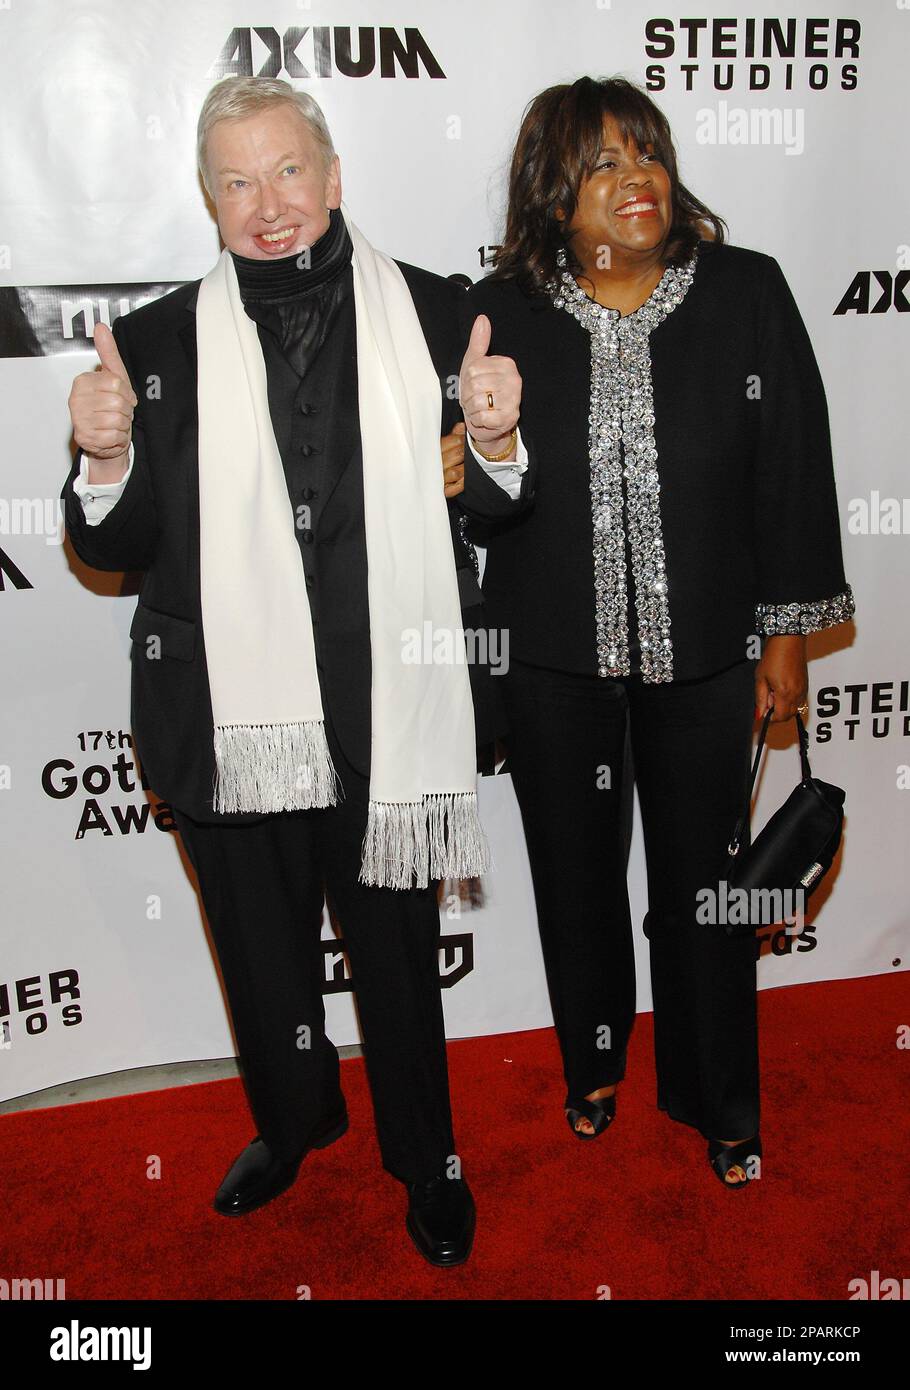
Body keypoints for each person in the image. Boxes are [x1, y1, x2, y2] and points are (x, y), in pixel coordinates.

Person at [62, 76, 521, 1265]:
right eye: (237, 180)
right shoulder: (158, 341)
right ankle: (294, 1119)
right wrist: (103, 458)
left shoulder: (437, 314)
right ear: (208, 202)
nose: (270, 205)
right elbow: (113, 548)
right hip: (226, 713)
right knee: (261, 958)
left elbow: (506, 514)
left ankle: (429, 1158)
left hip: (388, 705)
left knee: (396, 961)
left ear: (332, 174)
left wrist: (500, 439)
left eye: (288, 171)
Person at [457, 76, 855, 1187]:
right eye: (600, 164)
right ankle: (591, 1066)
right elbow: (475, 502)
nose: (635, 179)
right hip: (551, 663)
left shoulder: (745, 293)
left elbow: (790, 474)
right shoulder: (506, 315)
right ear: (552, 195)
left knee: (707, 889)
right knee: (574, 881)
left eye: (646, 154)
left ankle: (719, 1097)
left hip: (706, 660)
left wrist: (784, 640)